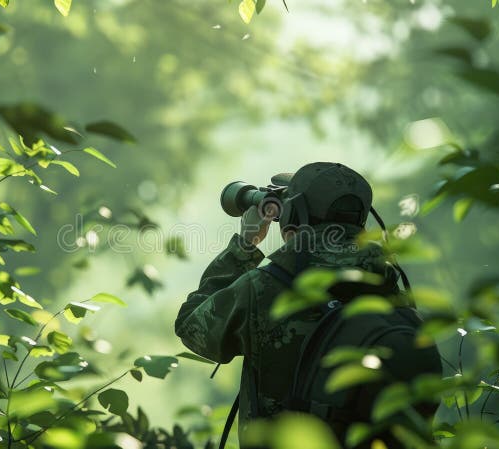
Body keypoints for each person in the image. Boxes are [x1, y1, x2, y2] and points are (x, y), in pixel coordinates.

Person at [174, 162, 441, 449]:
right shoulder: (384, 281)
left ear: (293, 215)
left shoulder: (266, 287)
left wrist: (245, 245)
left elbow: (192, 327)